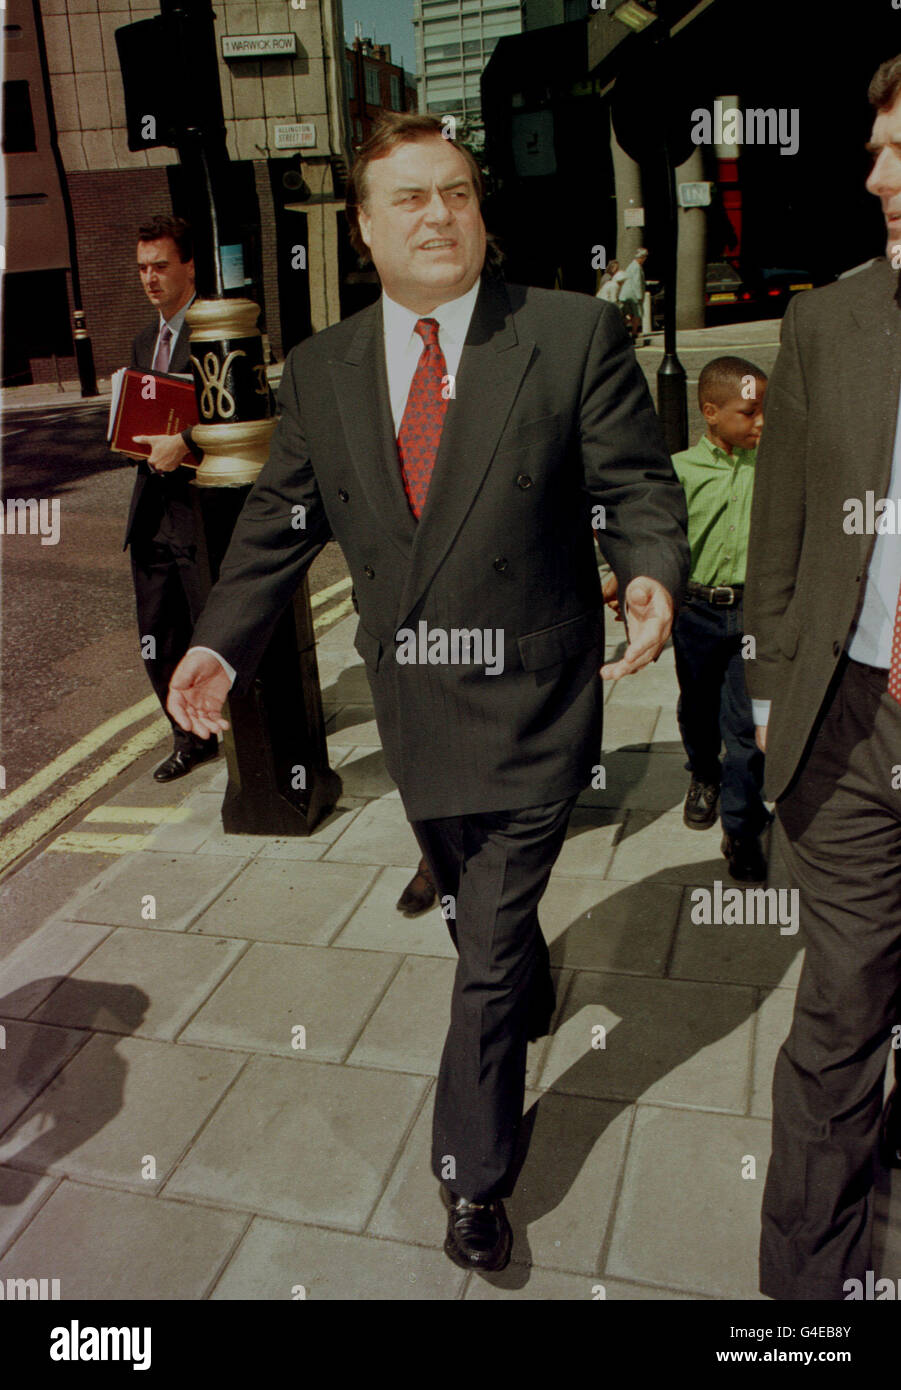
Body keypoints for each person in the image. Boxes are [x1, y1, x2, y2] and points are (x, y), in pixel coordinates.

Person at [166, 113, 689, 1274]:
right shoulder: (323, 367)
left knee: (486, 951)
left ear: (480, 208)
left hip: (532, 700)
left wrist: (648, 571)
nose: (439, 214)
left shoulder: (567, 334)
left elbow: (635, 483)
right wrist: (219, 645)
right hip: (416, 712)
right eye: (408, 198)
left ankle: (473, 1175)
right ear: (362, 229)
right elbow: (275, 529)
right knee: (471, 905)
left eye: (456, 191)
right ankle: (529, 978)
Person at [745, 55, 901, 1301]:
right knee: (840, 1016)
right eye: (874, 145)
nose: (876, 172)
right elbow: (781, 531)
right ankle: (806, 1301)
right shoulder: (824, 322)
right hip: (853, 726)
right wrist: (766, 692)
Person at [671, 356, 771, 881]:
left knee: (745, 725)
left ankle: (743, 826)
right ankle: (703, 773)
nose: (760, 423)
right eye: (749, 412)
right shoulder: (681, 471)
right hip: (696, 612)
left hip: (753, 612)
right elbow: (662, 540)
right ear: (710, 413)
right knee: (697, 707)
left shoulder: (772, 468)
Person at [125, 215, 217, 783]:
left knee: (217, 631)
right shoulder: (143, 340)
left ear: (188, 266)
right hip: (152, 515)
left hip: (203, 514)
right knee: (157, 635)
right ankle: (189, 737)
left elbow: (249, 416)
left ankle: (249, 728)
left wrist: (182, 442)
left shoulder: (214, 330)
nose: (151, 278)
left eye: (161, 266)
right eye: (142, 269)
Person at [617, 247, 648, 339]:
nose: (645, 260)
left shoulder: (631, 265)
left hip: (626, 294)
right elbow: (637, 282)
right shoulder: (637, 267)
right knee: (636, 314)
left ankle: (622, 328)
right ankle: (634, 332)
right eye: (645, 257)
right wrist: (640, 296)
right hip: (633, 295)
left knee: (628, 313)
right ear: (641, 257)